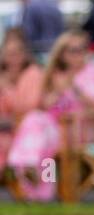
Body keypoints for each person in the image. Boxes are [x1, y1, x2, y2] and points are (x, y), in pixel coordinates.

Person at [8, 30, 94, 202]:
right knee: (37, 124)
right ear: (62, 54)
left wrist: (74, 88)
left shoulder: (92, 73)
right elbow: (45, 104)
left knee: (39, 128)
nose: (79, 54)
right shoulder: (55, 75)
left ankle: (33, 177)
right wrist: (58, 92)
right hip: (53, 129)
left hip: (79, 130)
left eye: (82, 49)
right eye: (73, 50)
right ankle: (38, 183)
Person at [0, 28, 43, 180]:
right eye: (9, 53)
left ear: (25, 54)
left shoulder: (33, 74)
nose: (13, 59)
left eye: (17, 53)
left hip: (29, 131)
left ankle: (29, 177)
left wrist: (8, 88)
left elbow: (29, 108)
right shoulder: (2, 75)